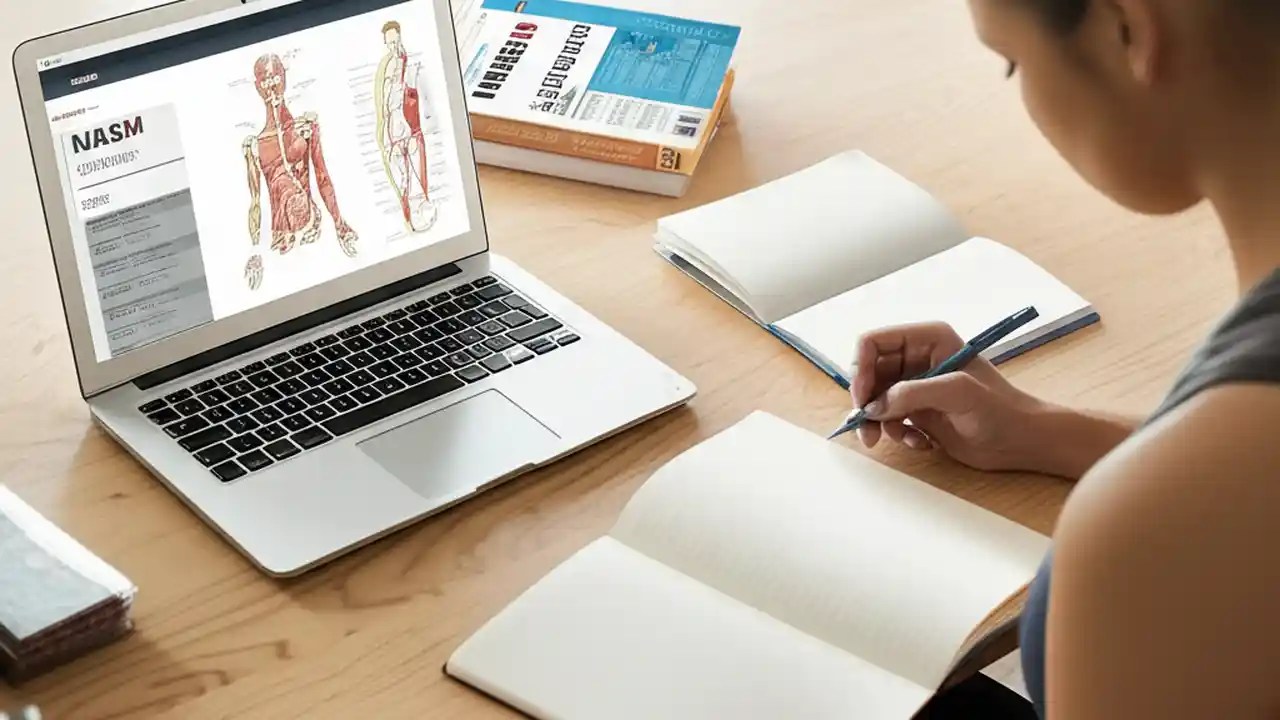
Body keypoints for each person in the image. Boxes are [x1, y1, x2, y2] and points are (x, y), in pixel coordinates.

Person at [850, 1, 1280, 718]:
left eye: (1011, 60)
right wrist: (1044, 429)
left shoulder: (1153, 544)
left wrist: (1146, 493)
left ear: (1127, 28)